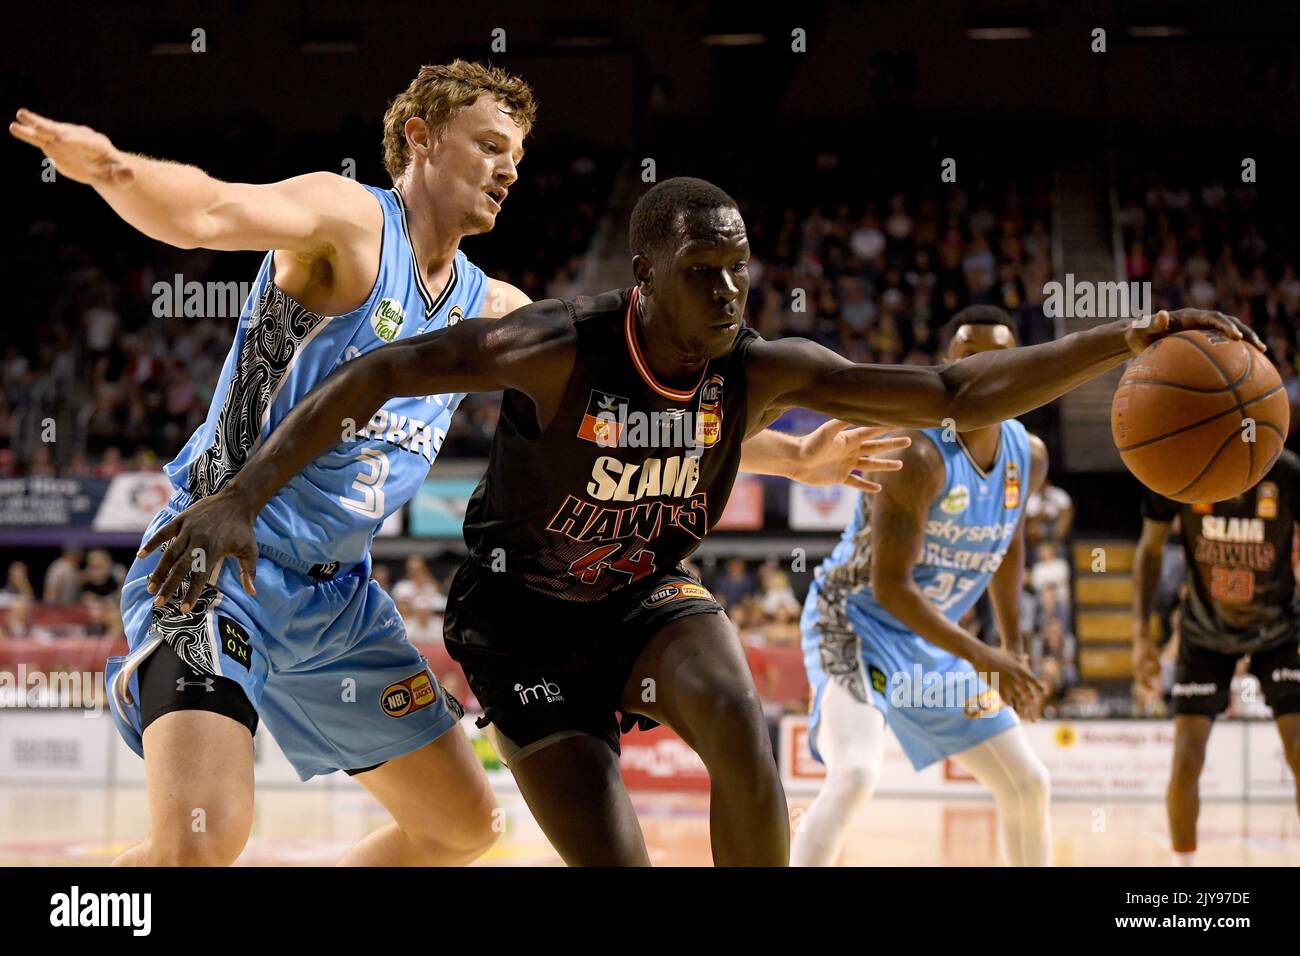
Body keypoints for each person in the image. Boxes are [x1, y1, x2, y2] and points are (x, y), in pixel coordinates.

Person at [140, 176, 1257, 866]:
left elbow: (958, 392)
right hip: (519, 620)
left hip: (640, 596)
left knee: (736, 715)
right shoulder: (553, 344)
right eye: (703, 272)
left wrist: (1128, 337)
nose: (729, 293)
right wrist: (238, 494)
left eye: (739, 269)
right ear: (645, 275)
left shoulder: (761, 368)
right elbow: (379, 371)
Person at [11, 72, 886, 868]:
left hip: (335, 599)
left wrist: (795, 453)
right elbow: (203, 210)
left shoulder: (497, 308)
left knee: (463, 828)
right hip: (219, 560)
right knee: (200, 845)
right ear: (422, 139)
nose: (510, 170)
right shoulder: (347, 220)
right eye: (491, 146)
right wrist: (113, 168)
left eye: (518, 156)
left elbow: (625, 417)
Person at [791, 306, 1054, 867]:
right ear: (947, 371)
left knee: (1027, 782)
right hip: (854, 628)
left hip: (933, 644)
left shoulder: (1028, 456)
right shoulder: (920, 453)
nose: (985, 370)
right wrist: (983, 654)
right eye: (969, 359)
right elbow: (890, 587)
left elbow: (1009, 545)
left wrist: (1012, 649)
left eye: (999, 358)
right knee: (857, 774)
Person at [1132, 457, 1300, 865]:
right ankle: (1183, 869)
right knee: (1187, 754)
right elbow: (1150, 549)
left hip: (1277, 629)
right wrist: (1141, 635)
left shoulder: (1288, 473)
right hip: (1204, 632)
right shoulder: (1179, 463)